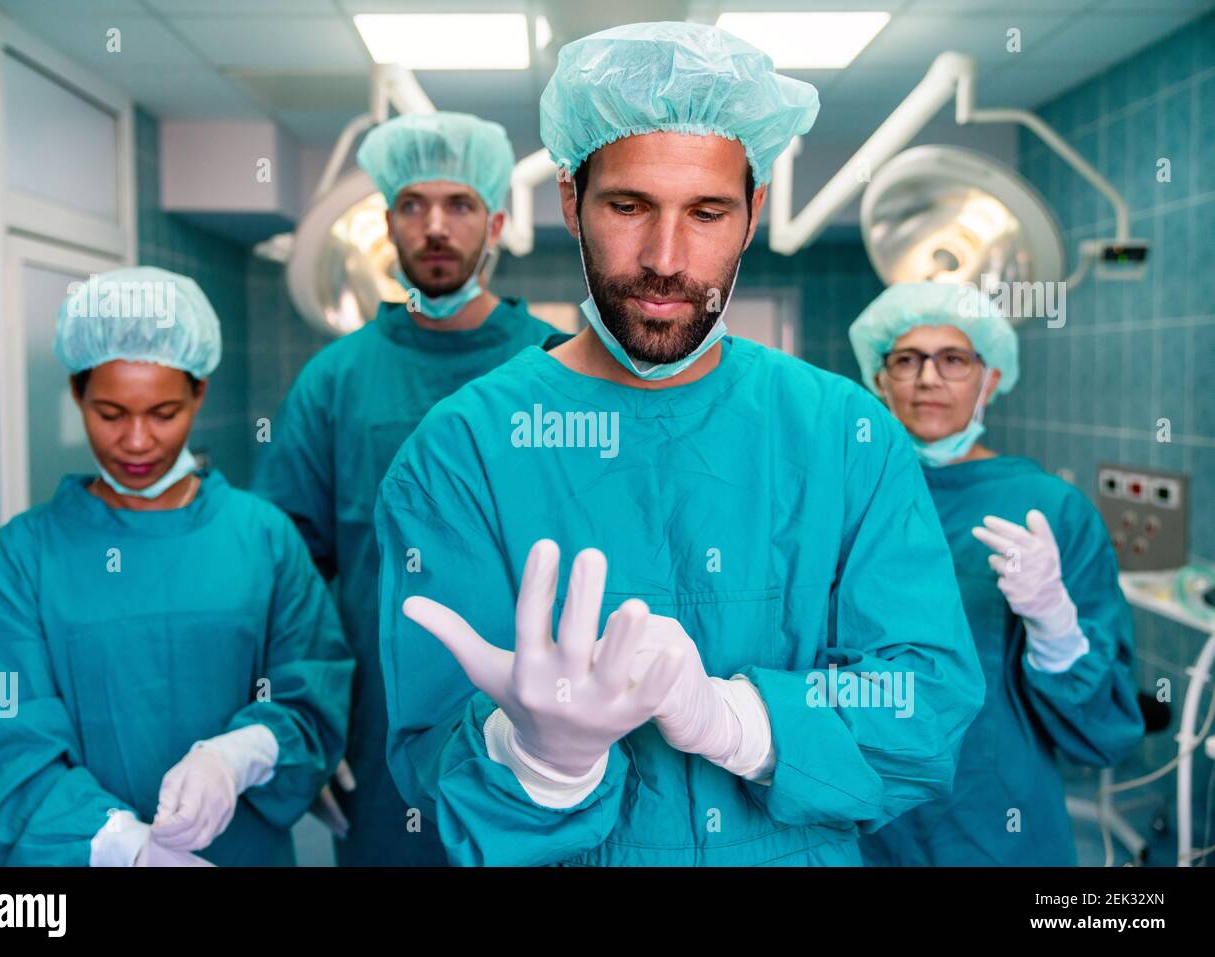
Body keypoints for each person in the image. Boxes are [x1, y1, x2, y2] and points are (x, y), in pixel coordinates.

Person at [374, 22, 985, 867]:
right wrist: (543, 761)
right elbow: (430, 755)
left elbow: (928, 698)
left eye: (706, 212)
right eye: (629, 206)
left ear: (753, 212)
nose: (665, 260)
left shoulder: (842, 433)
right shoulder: (463, 452)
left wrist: (741, 721)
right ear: (568, 202)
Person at [0, 267, 354, 866]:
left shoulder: (263, 539)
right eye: (110, 413)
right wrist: (120, 847)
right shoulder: (21, 560)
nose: (136, 441)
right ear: (77, 394)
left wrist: (242, 754)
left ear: (199, 394)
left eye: (163, 413)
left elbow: (312, 693)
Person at [252, 112, 557, 866]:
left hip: (539, 722)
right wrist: (304, 730)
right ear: (386, 221)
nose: (435, 227)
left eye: (458, 206)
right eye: (413, 206)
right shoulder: (337, 379)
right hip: (377, 724)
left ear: (496, 222)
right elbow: (287, 578)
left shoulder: (557, 369)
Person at [848, 281, 1144, 865]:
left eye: (954, 359)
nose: (928, 378)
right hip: (861, 813)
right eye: (906, 359)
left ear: (991, 379)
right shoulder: (848, 496)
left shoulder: (1050, 509)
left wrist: (1056, 630)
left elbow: (1109, 728)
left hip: (995, 822)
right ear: (879, 379)